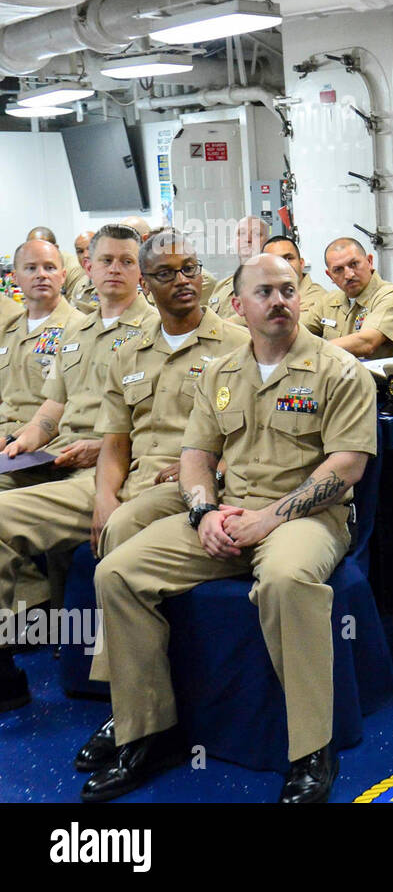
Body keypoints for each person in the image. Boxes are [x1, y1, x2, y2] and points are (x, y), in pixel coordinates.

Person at [83, 253, 376, 804]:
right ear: (238, 305)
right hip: (230, 513)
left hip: (307, 516)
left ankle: (312, 749)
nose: (279, 301)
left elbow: (345, 468)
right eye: (264, 292)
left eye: (287, 289)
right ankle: (147, 731)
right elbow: (196, 455)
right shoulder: (218, 374)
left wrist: (266, 520)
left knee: (288, 581)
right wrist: (203, 513)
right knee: (119, 571)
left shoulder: (339, 369)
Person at [0, 230, 247, 715]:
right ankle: (10, 658)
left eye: (190, 269)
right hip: (88, 470)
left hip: (157, 480)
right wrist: (30, 445)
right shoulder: (102, 342)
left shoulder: (215, 341)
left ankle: (130, 711)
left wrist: (113, 486)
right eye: (104, 261)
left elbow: (236, 436)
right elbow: (82, 420)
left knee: (110, 548)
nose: (181, 280)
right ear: (89, 270)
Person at [2, 224, 155, 492]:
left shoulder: (155, 331)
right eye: (106, 261)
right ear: (88, 268)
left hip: (108, 461)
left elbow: (160, 423)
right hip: (55, 457)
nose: (115, 269)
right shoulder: (76, 332)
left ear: (141, 271)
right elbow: (54, 405)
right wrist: (25, 440)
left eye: (127, 261)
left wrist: (104, 447)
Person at [0, 239, 79, 448]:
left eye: (50, 267)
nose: (41, 274)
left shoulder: (79, 329)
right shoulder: (9, 330)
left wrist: (10, 440)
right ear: (15, 278)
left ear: (63, 276)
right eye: (31, 268)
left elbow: (69, 403)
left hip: (43, 442)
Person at [305, 237, 393, 359]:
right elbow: (297, 332)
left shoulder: (391, 296)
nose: (349, 275)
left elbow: (366, 343)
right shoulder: (328, 302)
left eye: (354, 264)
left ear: (369, 262)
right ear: (330, 276)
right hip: (343, 376)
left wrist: (312, 350)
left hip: (382, 377)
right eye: (338, 270)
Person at [206, 216, 271, 322]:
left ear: (267, 242)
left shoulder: (275, 284)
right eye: (241, 234)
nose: (248, 239)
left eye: (256, 234)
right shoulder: (221, 287)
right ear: (233, 242)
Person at [262, 234, 327, 335]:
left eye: (288, 258)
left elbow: (280, 330)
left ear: (301, 264)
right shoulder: (258, 294)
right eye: (274, 260)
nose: (283, 265)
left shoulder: (319, 298)